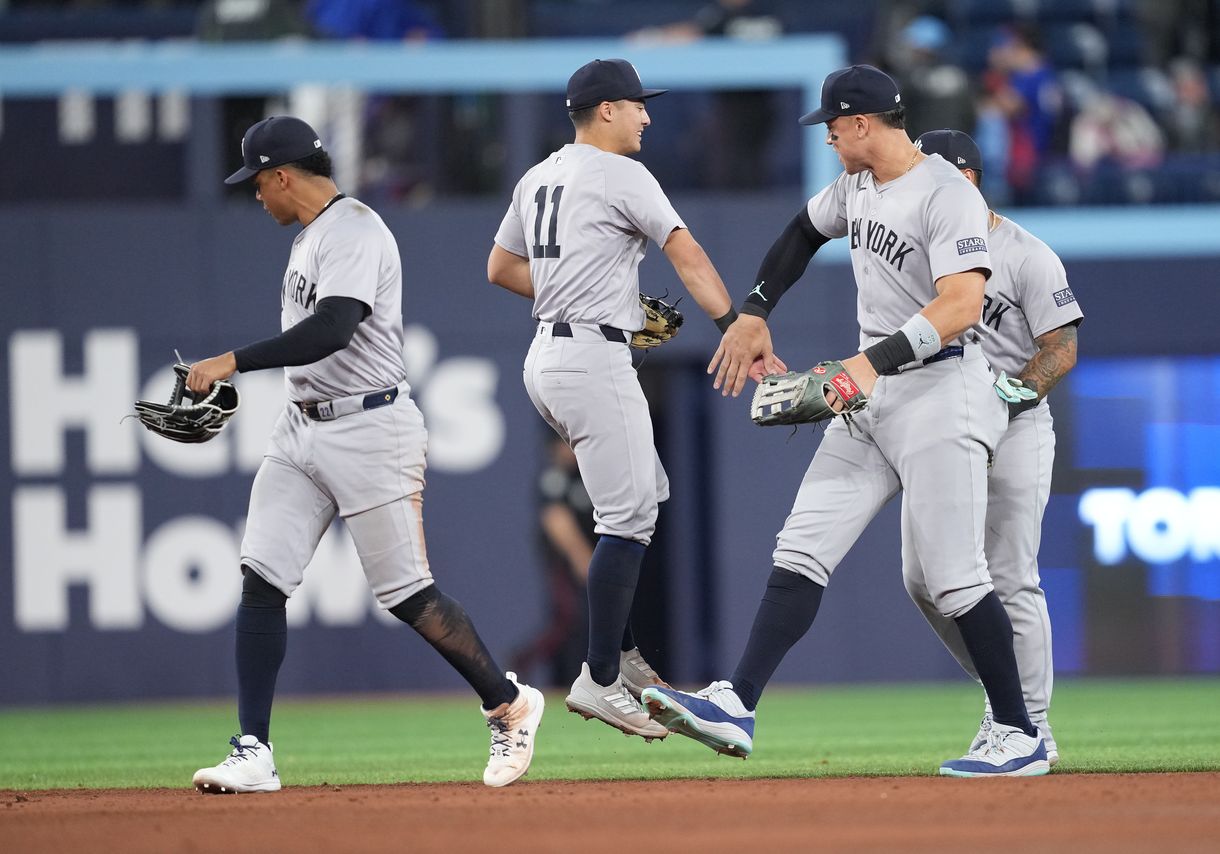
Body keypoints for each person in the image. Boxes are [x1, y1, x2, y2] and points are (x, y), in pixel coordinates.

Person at [645, 65, 1050, 777]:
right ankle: (738, 701)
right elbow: (801, 233)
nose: (827, 137)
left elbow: (959, 306)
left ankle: (1021, 733)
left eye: (832, 125)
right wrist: (753, 310)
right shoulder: (856, 186)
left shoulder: (945, 193)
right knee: (801, 547)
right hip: (873, 396)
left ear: (862, 123)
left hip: (940, 391)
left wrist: (870, 364)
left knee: (955, 577)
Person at [186, 115, 543, 792]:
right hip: (302, 428)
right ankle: (253, 750)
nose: (256, 197)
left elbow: (334, 327)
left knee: (410, 597)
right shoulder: (311, 236)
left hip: (370, 427)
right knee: (262, 578)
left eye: (258, 183)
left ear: (283, 176)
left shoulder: (352, 230)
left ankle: (510, 703)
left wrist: (234, 361)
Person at [487, 58, 766, 740]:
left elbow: (500, 269)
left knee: (636, 505)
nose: (646, 114)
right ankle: (601, 676)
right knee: (630, 518)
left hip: (549, 354)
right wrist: (737, 326)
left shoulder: (540, 173)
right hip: (590, 355)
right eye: (637, 104)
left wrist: (586, 297)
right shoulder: (621, 173)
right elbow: (688, 253)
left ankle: (627, 659)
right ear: (604, 110)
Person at [910, 128, 1083, 767]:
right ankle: (1005, 698)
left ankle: (1030, 727)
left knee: (1010, 575)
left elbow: (1061, 347)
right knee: (923, 578)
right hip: (938, 422)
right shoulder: (915, 251)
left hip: (1016, 424)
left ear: (969, 179)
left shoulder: (1026, 254)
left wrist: (1011, 397)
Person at [511, 434, 594, 687]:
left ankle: (590, 679)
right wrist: (580, 555)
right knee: (569, 617)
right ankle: (524, 661)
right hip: (565, 563)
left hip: (592, 558)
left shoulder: (587, 475)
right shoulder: (555, 478)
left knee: (580, 620)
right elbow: (556, 518)